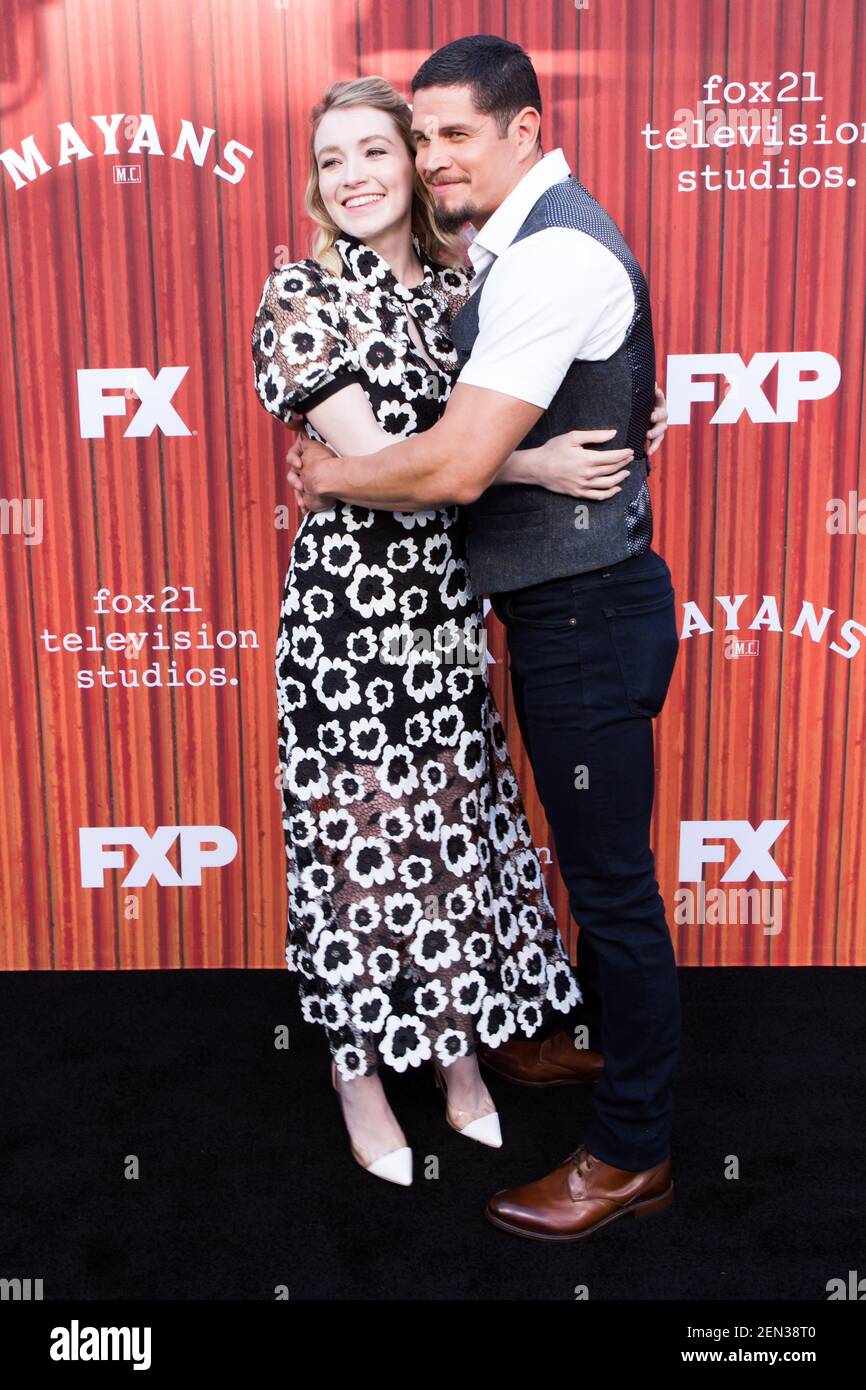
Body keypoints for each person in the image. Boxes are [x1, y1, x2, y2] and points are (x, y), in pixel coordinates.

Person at [288, 35, 681, 1241]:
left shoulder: (549, 253)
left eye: (449, 135)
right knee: (586, 875)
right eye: (421, 137)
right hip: (534, 613)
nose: (425, 158)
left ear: (522, 132)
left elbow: (453, 465)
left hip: (581, 614)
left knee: (610, 890)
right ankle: (584, 1052)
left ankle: (630, 1149)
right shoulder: (487, 260)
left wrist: (328, 478)